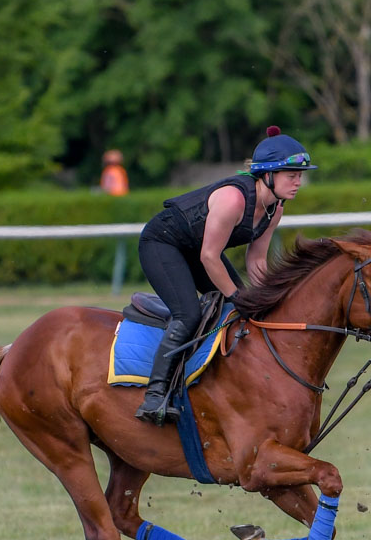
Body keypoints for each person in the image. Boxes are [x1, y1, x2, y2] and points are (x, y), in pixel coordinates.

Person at [133, 126, 314, 425]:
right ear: (267, 175)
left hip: (197, 250)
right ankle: (155, 395)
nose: (298, 181)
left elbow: (256, 260)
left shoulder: (275, 208)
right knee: (189, 314)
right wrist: (238, 297)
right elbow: (209, 256)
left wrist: (268, 300)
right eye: (290, 174)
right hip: (162, 243)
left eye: (300, 174)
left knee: (240, 310)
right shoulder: (233, 200)